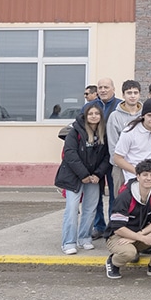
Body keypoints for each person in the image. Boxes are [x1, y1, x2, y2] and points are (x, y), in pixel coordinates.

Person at [104, 160, 151, 279]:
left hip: (140, 233)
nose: (148, 178)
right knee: (129, 253)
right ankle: (113, 262)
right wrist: (141, 238)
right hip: (118, 236)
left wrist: (140, 235)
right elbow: (117, 227)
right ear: (138, 176)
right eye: (145, 175)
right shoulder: (125, 195)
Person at [56, 102, 110, 254]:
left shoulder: (103, 133)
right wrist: (84, 175)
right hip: (74, 176)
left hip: (94, 178)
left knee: (90, 209)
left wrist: (98, 174)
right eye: (90, 114)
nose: (94, 116)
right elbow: (70, 154)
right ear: (85, 116)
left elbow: (107, 156)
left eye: (97, 114)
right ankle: (68, 242)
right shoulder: (74, 131)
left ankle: (84, 238)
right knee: (72, 209)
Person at [112, 98, 151, 187]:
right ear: (143, 115)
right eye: (150, 115)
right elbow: (118, 158)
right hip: (133, 175)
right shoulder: (129, 132)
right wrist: (138, 172)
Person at [88, 77, 121, 238]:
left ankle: (113, 226)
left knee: (115, 195)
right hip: (95, 158)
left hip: (115, 158)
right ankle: (98, 226)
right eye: (100, 87)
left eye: (106, 87)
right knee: (96, 195)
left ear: (113, 89)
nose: (102, 90)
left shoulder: (120, 106)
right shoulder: (89, 107)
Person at [106, 80, 142, 195]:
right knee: (121, 201)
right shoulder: (114, 116)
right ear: (123, 95)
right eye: (129, 93)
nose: (132, 96)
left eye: (135, 93)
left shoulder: (145, 115)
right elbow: (112, 144)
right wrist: (120, 163)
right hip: (120, 167)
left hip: (142, 166)